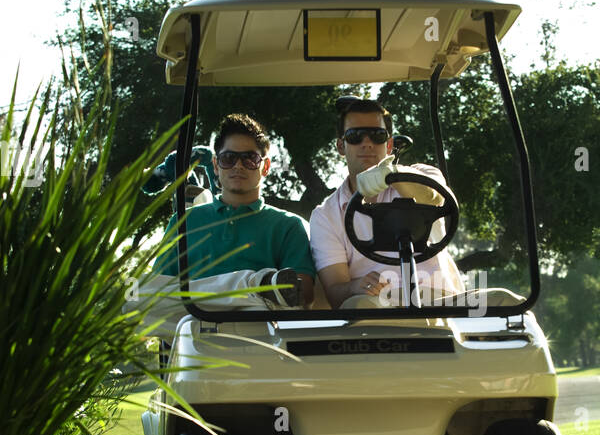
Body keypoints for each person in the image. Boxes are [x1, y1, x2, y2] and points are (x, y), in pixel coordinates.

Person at [129, 113, 315, 335]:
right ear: (216, 165)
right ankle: (256, 284)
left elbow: (303, 293)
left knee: (270, 299)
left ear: (265, 167)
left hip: (257, 333)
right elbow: (160, 288)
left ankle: (253, 288)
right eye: (228, 158)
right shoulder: (185, 222)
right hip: (194, 332)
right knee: (134, 293)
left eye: (249, 159)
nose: (238, 166)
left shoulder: (289, 225)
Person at [310, 97, 464, 309]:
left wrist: (391, 174)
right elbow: (336, 293)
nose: (367, 143)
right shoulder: (325, 215)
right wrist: (355, 286)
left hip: (441, 301)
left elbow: (433, 198)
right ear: (340, 146)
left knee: (504, 301)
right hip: (377, 307)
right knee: (359, 306)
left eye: (377, 135)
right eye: (355, 136)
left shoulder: (424, 175)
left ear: (389, 145)